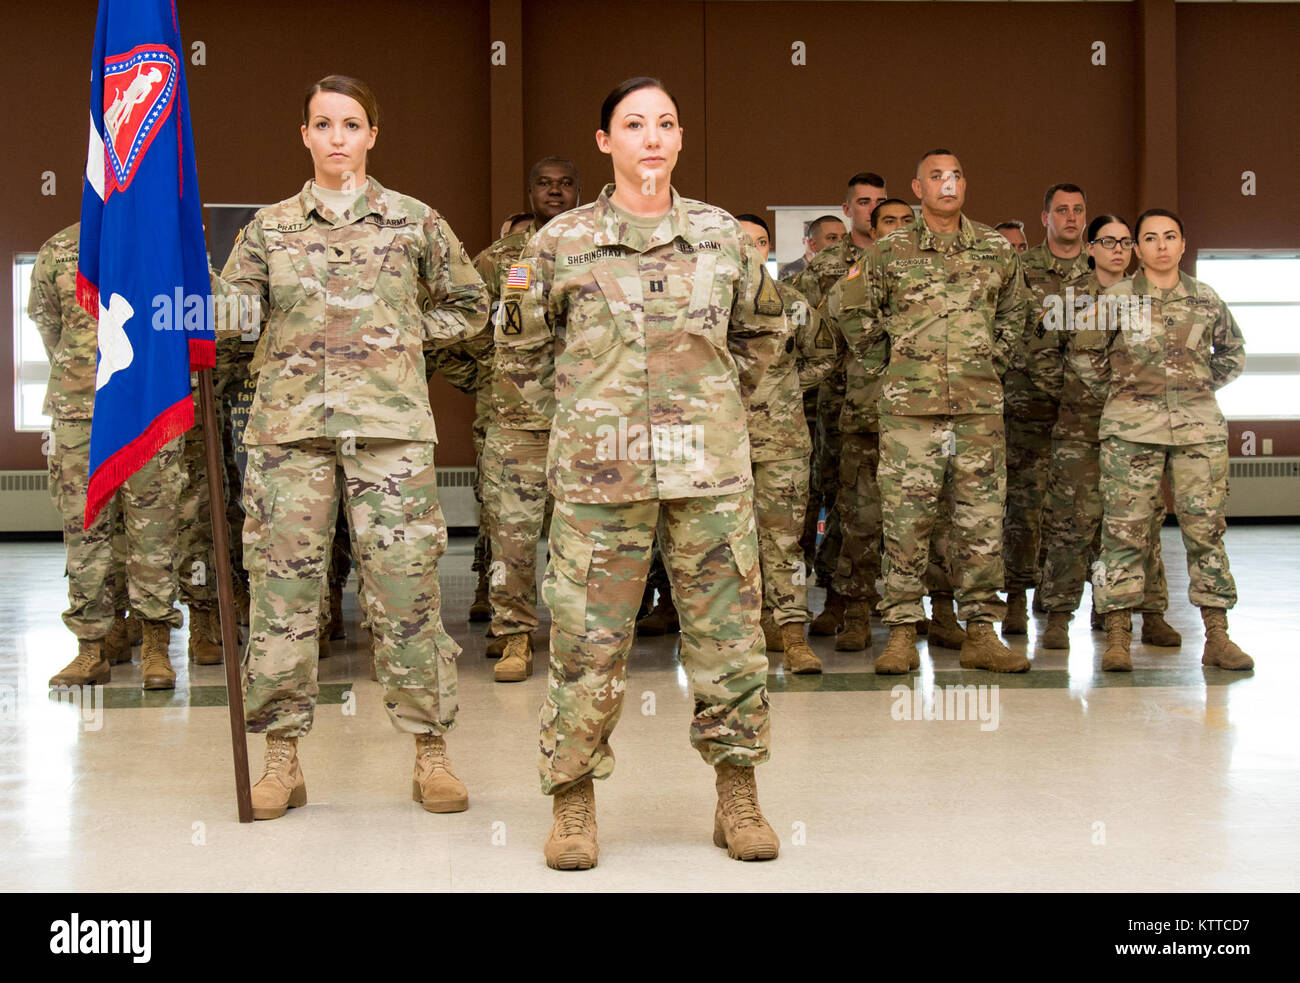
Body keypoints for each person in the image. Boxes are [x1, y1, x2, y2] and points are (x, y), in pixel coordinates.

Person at [494, 77, 785, 869]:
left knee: (728, 641)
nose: (651, 138)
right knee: (588, 645)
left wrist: (715, 411)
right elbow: (519, 354)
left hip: (707, 476)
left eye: (664, 124)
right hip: (599, 480)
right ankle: (573, 799)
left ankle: (738, 791)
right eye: (633, 124)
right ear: (605, 142)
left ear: (680, 139)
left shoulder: (724, 237)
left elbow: (764, 336)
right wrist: (583, 421)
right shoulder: (560, 243)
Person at [209, 75, 490, 819]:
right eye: (323, 124)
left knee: (407, 591)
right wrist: (185, 282)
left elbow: (470, 303)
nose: (338, 137)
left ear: (372, 135)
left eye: (352, 124)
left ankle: (430, 751)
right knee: (282, 599)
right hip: (290, 437)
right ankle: (280, 757)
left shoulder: (413, 222)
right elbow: (232, 317)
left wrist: (401, 337)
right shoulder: (270, 229)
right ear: (303, 135)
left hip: (389, 434)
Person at [837, 149, 1029, 674]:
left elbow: (1016, 312)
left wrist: (995, 356)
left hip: (977, 411)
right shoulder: (890, 249)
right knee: (905, 522)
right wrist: (890, 367)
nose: (949, 184)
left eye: (957, 176)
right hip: (910, 415)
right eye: (937, 177)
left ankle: (981, 633)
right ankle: (901, 632)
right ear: (918, 188)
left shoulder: (994, 248)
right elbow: (853, 310)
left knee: (981, 522)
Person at [1083, 209, 1251, 671]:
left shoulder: (1205, 298)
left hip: (1198, 430)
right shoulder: (1115, 298)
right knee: (1123, 531)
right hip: (1130, 432)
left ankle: (1217, 637)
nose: (1161, 246)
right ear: (1136, 248)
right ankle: (1118, 637)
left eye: (1170, 237)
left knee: (1205, 529)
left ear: (1183, 244)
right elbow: (1086, 358)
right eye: (1151, 238)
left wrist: (1196, 387)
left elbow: (1233, 353)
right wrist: (1126, 396)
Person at [31, 223, 186, 690]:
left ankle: (155, 644)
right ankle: (91, 648)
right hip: (81, 411)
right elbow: (48, 323)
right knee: (85, 529)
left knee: (154, 528)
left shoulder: (163, 237)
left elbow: (189, 316)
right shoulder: (59, 248)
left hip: (149, 408)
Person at [1032, 215, 1179, 650]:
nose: (1117, 249)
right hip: (1081, 429)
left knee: (1143, 525)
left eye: (1125, 241)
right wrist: (1078, 395)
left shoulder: (1149, 296)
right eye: (1106, 241)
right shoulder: (1070, 300)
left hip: (1139, 433)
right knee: (1071, 523)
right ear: (1090, 249)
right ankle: (1058, 616)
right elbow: (1041, 358)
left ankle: (1149, 613)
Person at [477, 156, 581, 680]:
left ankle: (572, 638)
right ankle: (515, 637)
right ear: (530, 190)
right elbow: (464, 326)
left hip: (585, 421)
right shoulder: (499, 260)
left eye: (565, 185)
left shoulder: (596, 250)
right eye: (545, 184)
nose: (555, 192)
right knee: (512, 539)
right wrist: (487, 385)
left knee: (580, 539)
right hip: (517, 424)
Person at [736, 213, 836, 672]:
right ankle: (733, 634)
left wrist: (788, 386)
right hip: (721, 444)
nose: (751, 250)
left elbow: (825, 354)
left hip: (782, 443)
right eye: (741, 242)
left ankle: (792, 633)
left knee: (783, 542)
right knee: (723, 543)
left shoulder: (793, 303)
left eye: (760, 242)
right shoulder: (703, 305)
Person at [794, 172, 888, 636]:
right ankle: (835, 595)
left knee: (887, 506)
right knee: (839, 501)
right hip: (837, 405)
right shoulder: (828, 264)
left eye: (880, 202)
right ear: (848, 208)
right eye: (864, 202)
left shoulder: (908, 260)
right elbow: (801, 326)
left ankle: (880, 602)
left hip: (902, 404)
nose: (872, 210)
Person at [821, 198, 915, 653]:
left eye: (905, 221)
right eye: (888, 222)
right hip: (865, 417)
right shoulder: (851, 281)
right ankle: (855, 614)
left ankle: (935, 612)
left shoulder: (930, 276)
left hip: (920, 418)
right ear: (872, 231)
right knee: (860, 523)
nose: (897, 228)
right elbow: (827, 345)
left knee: (925, 525)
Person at [1002, 183, 1087, 635]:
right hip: (1026, 410)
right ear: (1044, 217)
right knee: (1022, 510)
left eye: (1077, 210)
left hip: (1085, 418)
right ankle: (1015, 597)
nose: (1070, 218)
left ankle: (1069, 609)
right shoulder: (1022, 269)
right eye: (1061, 210)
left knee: (1078, 514)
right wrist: (1066, 388)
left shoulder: (1101, 274)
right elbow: (1014, 332)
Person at [778, 214, 845, 282]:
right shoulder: (791, 270)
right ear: (812, 244)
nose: (841, 242)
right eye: (832, 238)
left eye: (845, 237)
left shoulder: (852, 268)